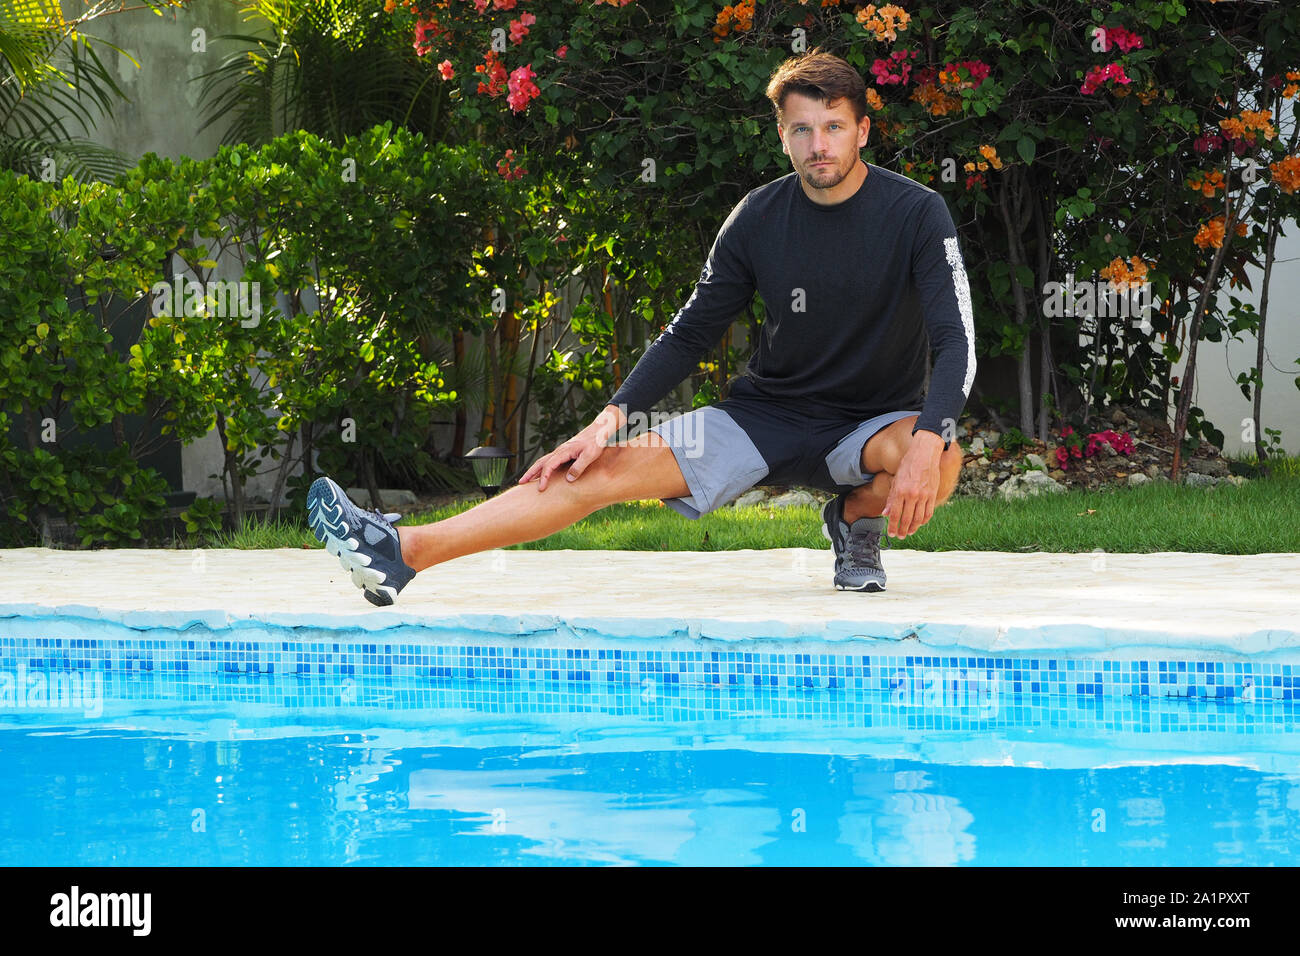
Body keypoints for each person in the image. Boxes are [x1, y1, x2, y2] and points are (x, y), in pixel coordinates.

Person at [306, 47, 974, 606]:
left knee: (939, 458)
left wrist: (926, 436)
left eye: (832, 127)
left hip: (868, 423)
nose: (817, 144)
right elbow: (691, 331)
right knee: (590, 470)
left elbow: (955, 341)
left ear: (862, 131)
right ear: (781, 136)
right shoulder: (758, 217)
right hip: (763, 417)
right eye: (801, 129)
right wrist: (609, 419)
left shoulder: (916, 213)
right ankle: (404, 552)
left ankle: (854, 518)